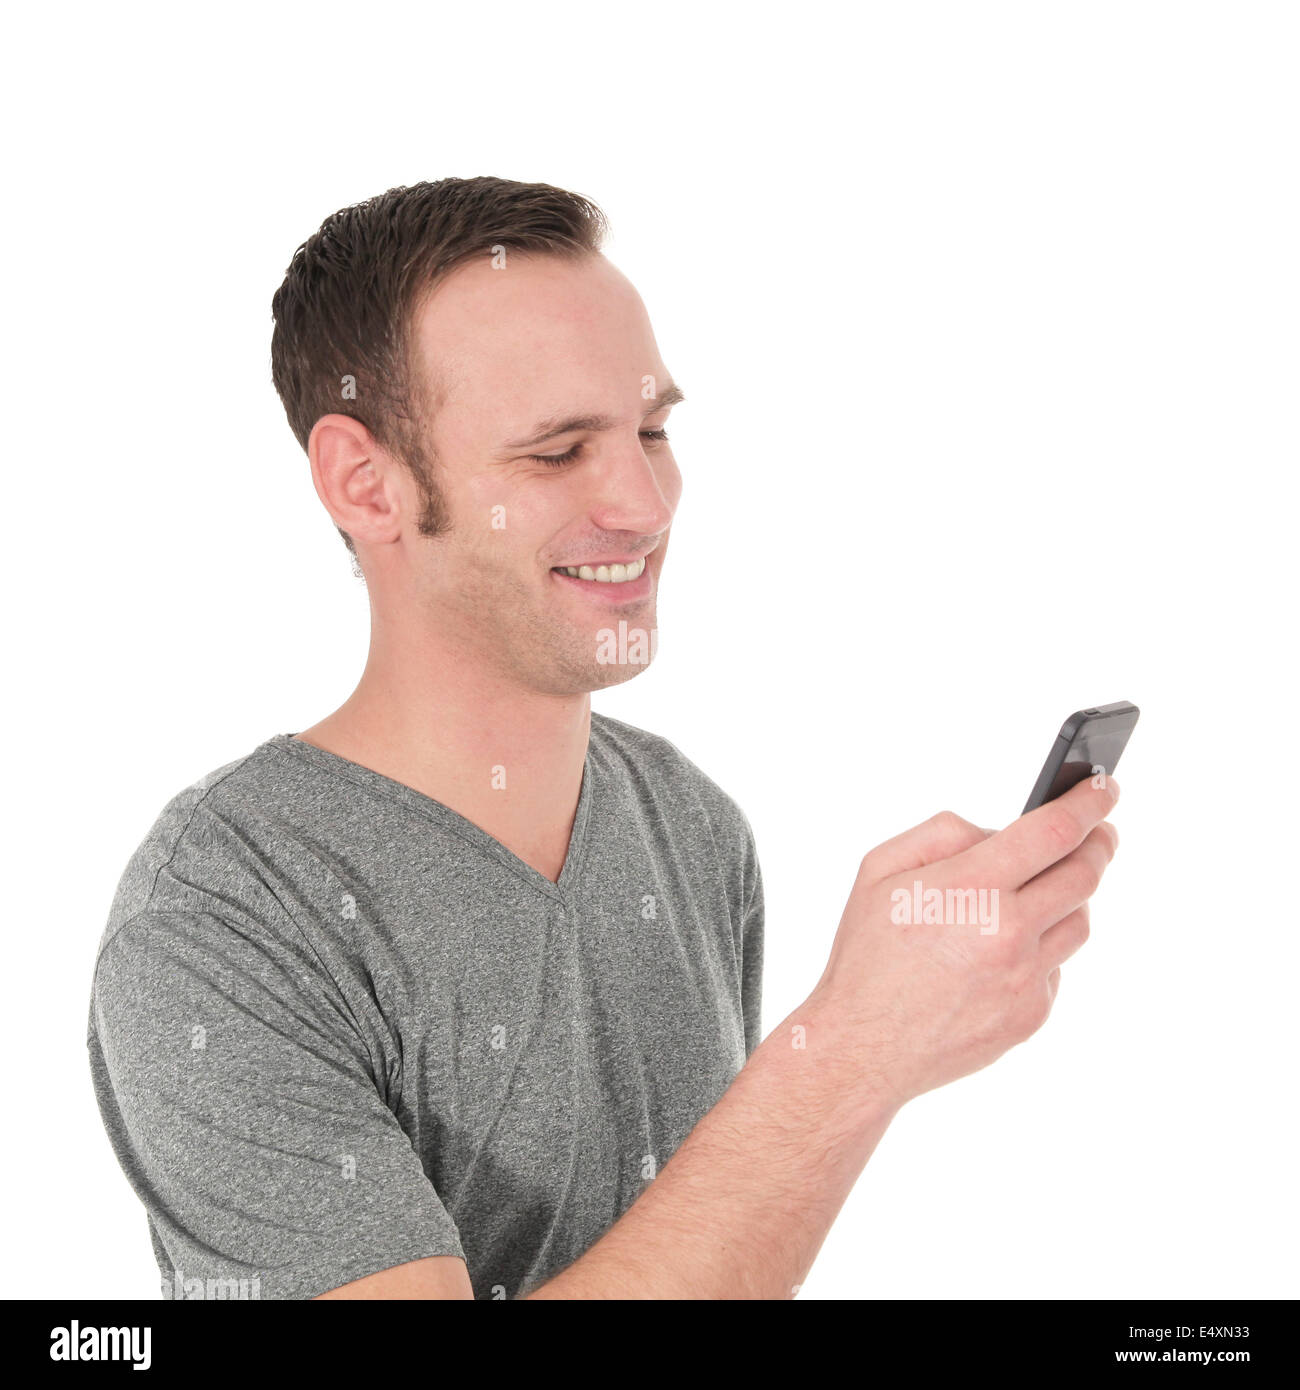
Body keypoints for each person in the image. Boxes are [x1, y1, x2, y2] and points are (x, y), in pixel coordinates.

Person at [88, 176, 1119, 1300]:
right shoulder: (222, 918)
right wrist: (851, 1053)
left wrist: (870, 1041)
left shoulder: (690, 824)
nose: (644, 502)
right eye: (555, 451)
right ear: (366, 483)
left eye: (652, 430)